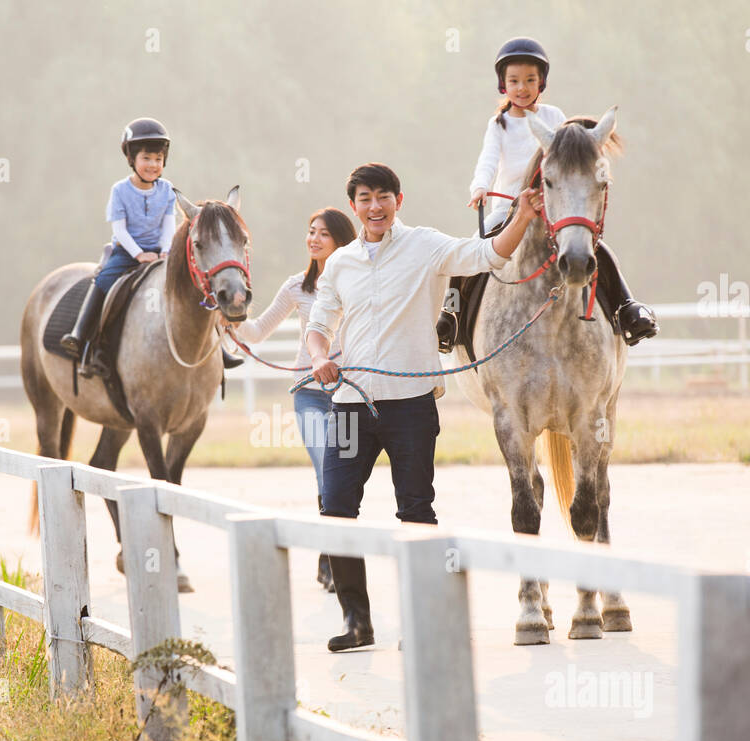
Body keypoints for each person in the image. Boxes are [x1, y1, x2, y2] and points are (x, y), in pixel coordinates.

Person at [305, 162, 542, 651]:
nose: (375, 207)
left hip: (411, 404)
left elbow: (486, 254)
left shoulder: (426, 246)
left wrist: (520, 217)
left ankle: (419, 623)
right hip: (350, 404)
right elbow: (319, 322)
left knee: (416, 511)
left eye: (383, 197)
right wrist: (318, 357)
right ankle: (357, 622)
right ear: (354, 205)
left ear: (399, 200)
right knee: (335, 510)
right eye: (365, 198)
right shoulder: (340, 263)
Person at [439, 36, 657, 350]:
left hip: (552, 205)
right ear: (504, 85)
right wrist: (480, 187)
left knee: (599, 249)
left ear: (541, 83)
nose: (522, 87)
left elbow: (570, 155)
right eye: (514, 81)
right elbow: (487, 161)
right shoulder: (498, 124)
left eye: (530, 80)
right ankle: (450, 317)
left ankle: (627, 308)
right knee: (473, 251)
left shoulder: (554, 116)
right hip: (509, 207)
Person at [222, 208, 357, 592]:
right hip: (310, 395)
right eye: (311, 231)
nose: (314, 239)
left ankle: (327, 555)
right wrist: (231, 314)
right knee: (327, 469)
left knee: (342, 480)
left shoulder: (360, 283)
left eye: (324, 234)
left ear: (341, 241)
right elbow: (258, 330)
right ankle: (334, 561)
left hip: (349, 395)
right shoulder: (297, 286)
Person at [59, 117, 243, 376]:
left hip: (160, 252)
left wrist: (165, 250)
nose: (153, 165)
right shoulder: (120, 190)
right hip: (127, 251)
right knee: (103, 282)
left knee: (198, 286)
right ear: (131, 159)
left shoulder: (167, 190)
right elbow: (119, 230)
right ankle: (84, 339)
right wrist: (138, 254)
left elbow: (169, 224)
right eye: (146, 158)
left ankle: (219, 347)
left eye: (158, 159)